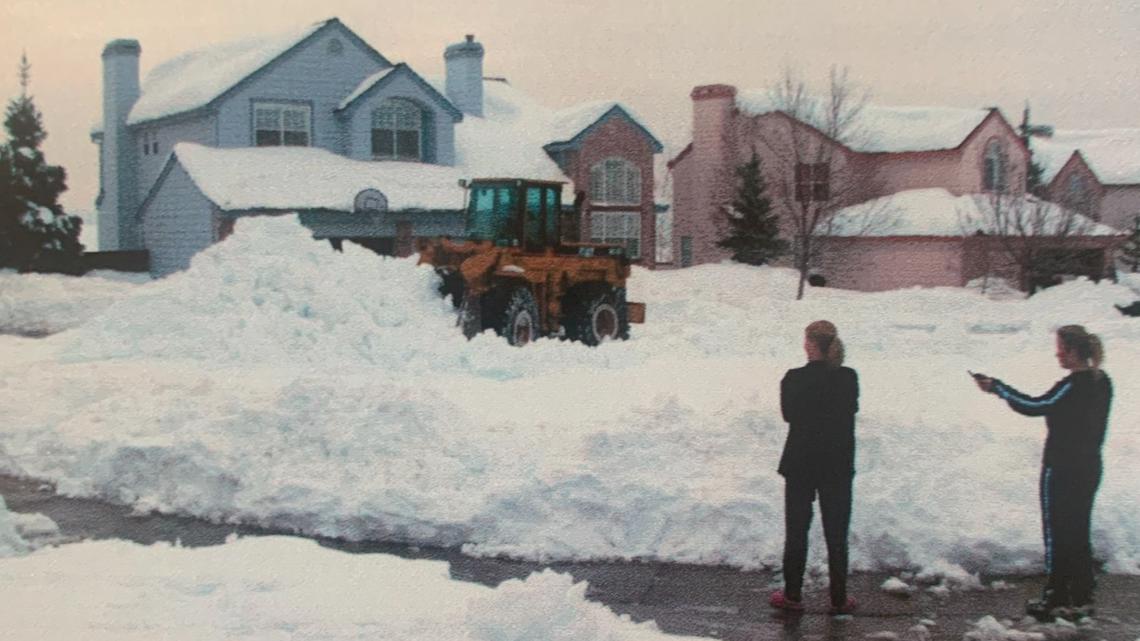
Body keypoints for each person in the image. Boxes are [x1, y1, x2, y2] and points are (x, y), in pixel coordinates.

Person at [974, 325, 1112, 621]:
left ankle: (1057, 594)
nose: (1057, 353)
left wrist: (997, 388)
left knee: (1058, 532)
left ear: (1073, 352)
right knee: (1078, 531)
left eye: (1061, 347)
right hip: (1089, 466)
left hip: (1062, 469)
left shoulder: (1072, 385)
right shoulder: (1103, 382)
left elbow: (1036, 405)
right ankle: (1081, 595)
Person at [770, 320, 859, 616]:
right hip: (837, 464)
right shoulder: (848, 378)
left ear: (809, 344)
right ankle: (838, 598)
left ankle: (792, 594)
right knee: (837, 534)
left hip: (800, 463)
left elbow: (788, 415)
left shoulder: (793, 378)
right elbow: (849, 410)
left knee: (796, 531)